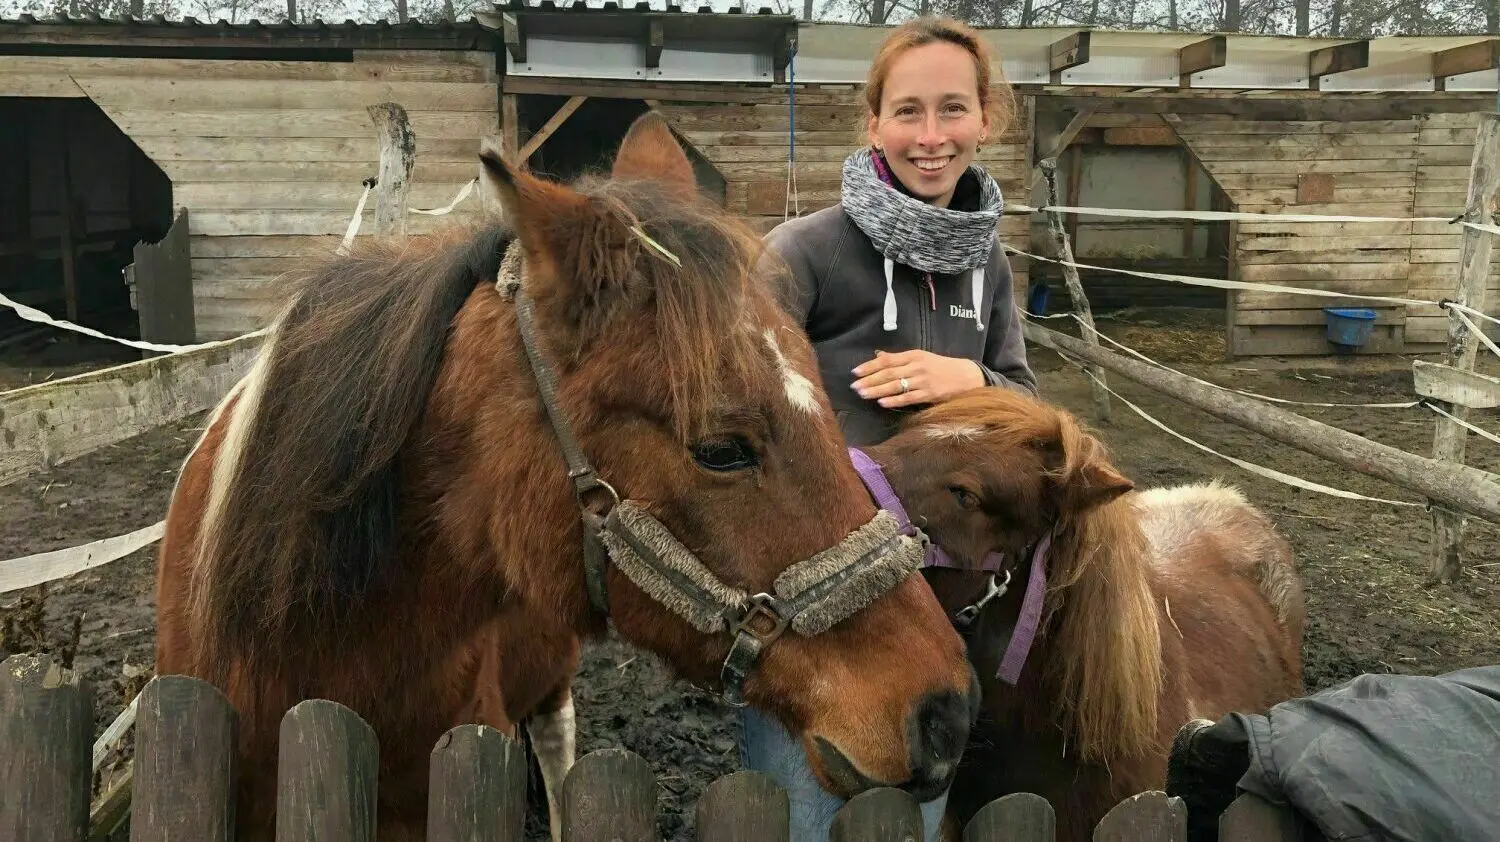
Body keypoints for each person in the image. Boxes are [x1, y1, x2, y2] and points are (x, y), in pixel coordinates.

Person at [737, 15, 1039, 842]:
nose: (931, 136)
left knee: (915, 805)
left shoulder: (990, 263)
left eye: (953, 109)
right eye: (907, 111)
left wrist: (971, 380)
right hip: (821, 601)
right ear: (873, 122)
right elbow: (739, 403)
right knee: (804, 809)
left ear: (986, 118)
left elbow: (1027, 402)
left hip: (947, 594)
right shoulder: (805, 252)